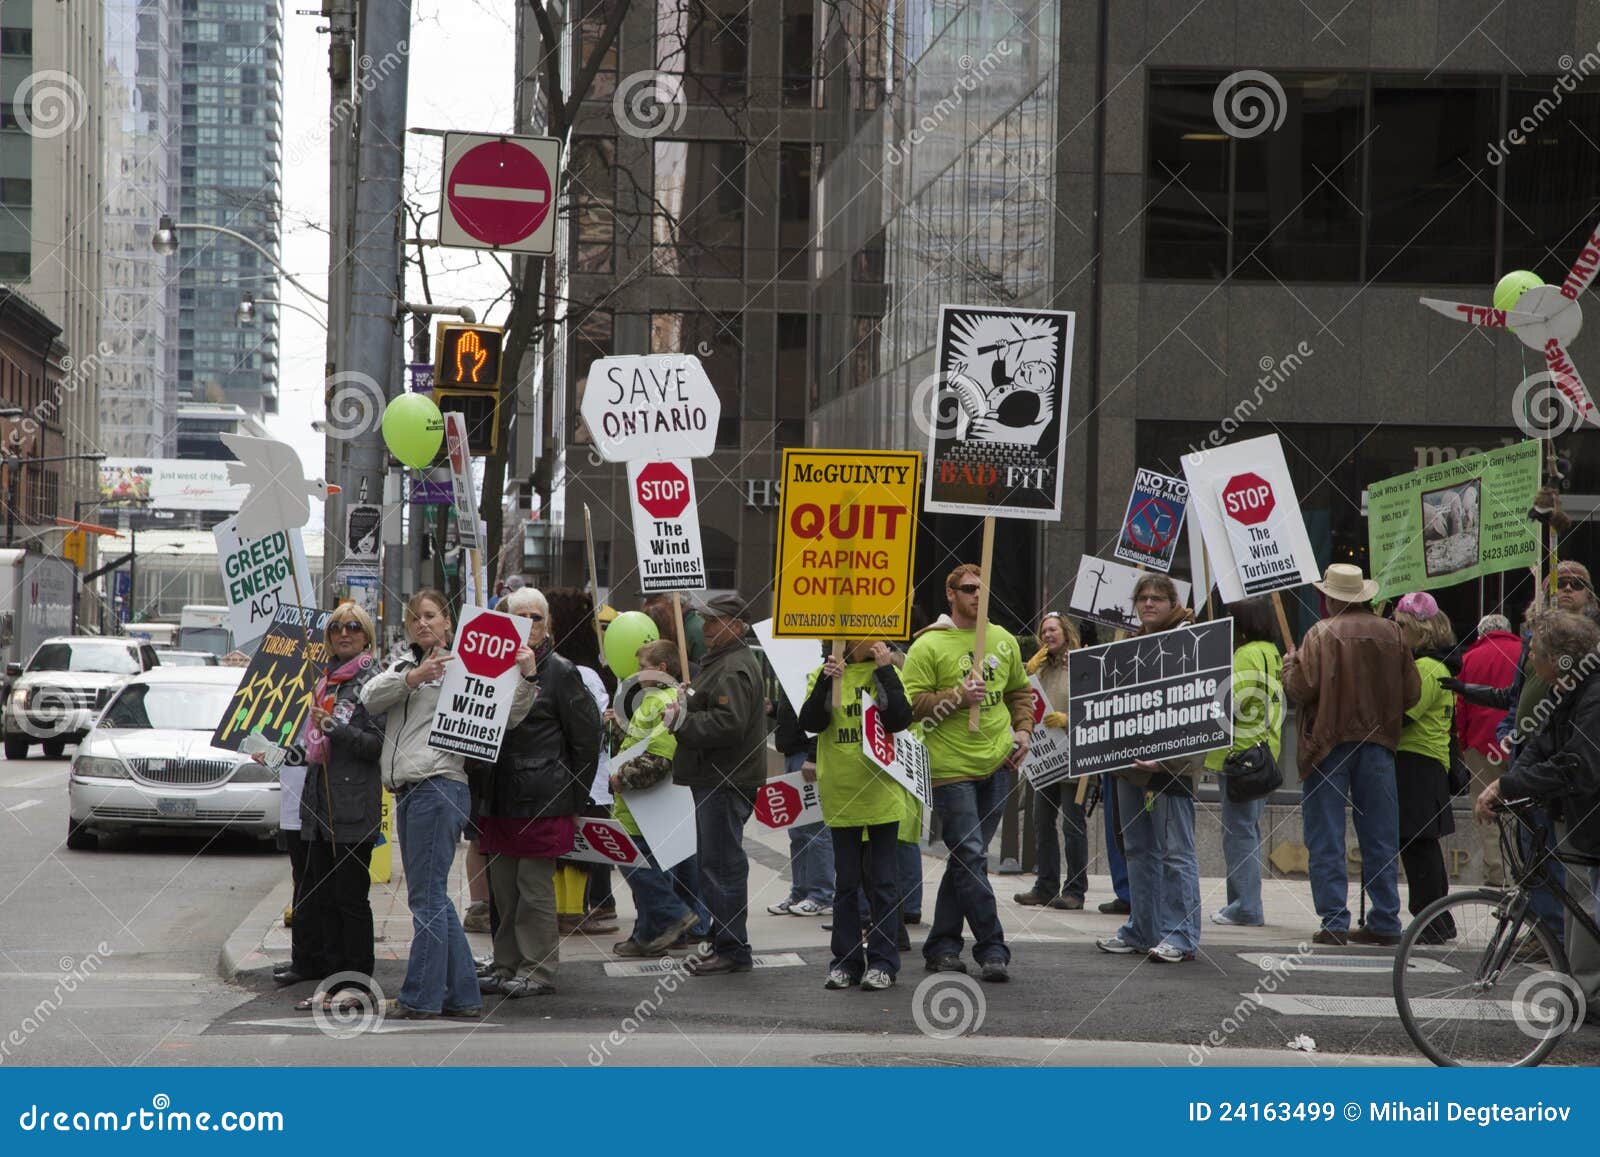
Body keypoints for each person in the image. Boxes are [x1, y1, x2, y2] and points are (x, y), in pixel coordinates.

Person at [901, 564, 1033, 982]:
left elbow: (1019, 690)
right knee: (972, 855)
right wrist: (959, 695)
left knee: (964, 859)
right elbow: (910, 704)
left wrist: (1024, 730)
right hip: (949, 768)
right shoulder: (929, 646)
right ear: (951, 594)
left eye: (984, 589)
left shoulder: (1004, 639)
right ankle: (993, 946)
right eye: (970, 589)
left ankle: (942, 945)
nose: (978, 595)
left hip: (997, 763)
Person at [1282, 563, 1419, 947]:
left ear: (1329, 599)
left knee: (1326, 834)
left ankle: (1334, 921)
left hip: (1327, 745)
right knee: (1380, 834)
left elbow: (1301, 689)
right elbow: (1412, 694)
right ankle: (1386, 919)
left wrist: (1289, 665)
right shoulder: (1392, 633)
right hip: (1378, 745)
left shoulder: (1320, 634)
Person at [361, 590, 482, 1020]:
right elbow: (370, 697)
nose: (422, 624)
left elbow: (502, 709)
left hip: (438, 785)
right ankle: (464, 994)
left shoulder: (464, 668)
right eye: (415, 618)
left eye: (431, 616)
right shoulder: (405, 667)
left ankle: (421, 997)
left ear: (448, 623)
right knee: (434, 898)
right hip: (410, 792)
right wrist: (413, 677)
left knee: (427, 900)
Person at [474, 586, 599, 998]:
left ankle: (539, 968)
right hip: (500, 794)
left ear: (548, 625)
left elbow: (586, 739)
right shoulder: (491, 665)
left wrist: (575, 800)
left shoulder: (561, 671)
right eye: (519, 617)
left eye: (536, 618)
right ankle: (506, 962)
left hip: (543, 797)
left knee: (534, 889)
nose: (528, 625)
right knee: (504, 889)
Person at [1476, 610, 1600, 1017]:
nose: (1528, 656)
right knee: (1579, 900)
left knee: (1589, 901)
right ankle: (1586, 996)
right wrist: (1504, 785)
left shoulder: (1594, 693)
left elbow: (1579, 765)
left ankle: (1589, 996)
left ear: (1560, 657)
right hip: (1579, 816)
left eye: (1535, 649)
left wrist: (1511, 785)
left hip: (1590, 814)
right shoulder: (1566, 688)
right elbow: (1541, 745)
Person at [1093, 574, 1204, 963]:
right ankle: (1142, 929)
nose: (1149, 603)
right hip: (1128, 767)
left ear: (1174, 602)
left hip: (1168, 770)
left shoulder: (1193, 641)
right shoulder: (1131, 642)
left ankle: (1182, 935)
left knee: (1176, 854)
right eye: (1142, 597)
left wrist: (1170, 761)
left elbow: (1202, 710)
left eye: (1158, 597)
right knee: (1138, 849)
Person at [798, 639, 912, 991]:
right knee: (845, 884)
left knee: (883, 884)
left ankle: (883, 963)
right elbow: (811, 722)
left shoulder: (888, 671)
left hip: (881, 794)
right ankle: (846, 963)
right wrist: (824, 683)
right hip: (842, 795)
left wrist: (885, 673)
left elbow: (899, 719)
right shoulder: (825, 672)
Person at [665, 591, 768, 976]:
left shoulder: (732, 666)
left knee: (721, 865)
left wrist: (683, 722)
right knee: (716, 863)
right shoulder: (725, 661)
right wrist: (687, 703)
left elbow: (729, 724)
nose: (704, 627)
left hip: (724, 779)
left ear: (736, 626)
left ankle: (732, 947)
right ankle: (725, 943)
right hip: (717, 776)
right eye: (704, 620)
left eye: (713, 621)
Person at [292, 603, 385, 1010]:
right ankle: (331, 983)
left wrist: (335, 728)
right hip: (318, 807)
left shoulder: (374, 683)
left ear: (366, 635)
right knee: (322, 897)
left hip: (352, 806)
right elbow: (307, 748)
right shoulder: (323, 681)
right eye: (335, 628)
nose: (343, 633)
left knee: (350, 898)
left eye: (352, 627)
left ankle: (357, 984)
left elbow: (375, 745)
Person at [609, 640, 708, 956]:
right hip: (641, 806)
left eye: (643, 667)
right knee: (650, 869)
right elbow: (638, 744)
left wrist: (621, 778)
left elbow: (660, 757)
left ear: (662, 669)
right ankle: (650, 936)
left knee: (641, 869)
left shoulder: (665, 702)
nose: (638, 674)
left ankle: (671, 919)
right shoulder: (655, 700)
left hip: (646, 805)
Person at [1206, 597, 1284, 928]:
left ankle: (1246, 906)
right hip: (1265, 751)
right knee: (1245, 829)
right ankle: (1238, 903)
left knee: (1238, 833)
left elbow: (1227, 702)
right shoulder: (1271, 652)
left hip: (1240, 754)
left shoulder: (1245, 655)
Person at [547, 587, 619, 936]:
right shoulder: (585, 675)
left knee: (564, 847)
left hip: (554, 775)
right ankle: (573, 911)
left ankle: (566, 910)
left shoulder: (548, 670)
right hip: (586, 777)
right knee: (581, 846)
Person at [1392, 593, 1458, 939]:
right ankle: (1436, 921)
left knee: (1418, 845)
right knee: (1420, 845)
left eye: (1402, 626)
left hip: (1418, 763)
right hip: (1421, 763)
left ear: (1422, 630)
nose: (1397, 633)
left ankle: (1432, 922)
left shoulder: (1427, 668)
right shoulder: (1430, 665)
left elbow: (1403, 714)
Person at [1014, 612, 1086, 910]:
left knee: (1072, 826)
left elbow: (1098, 705)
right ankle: (1045, 886)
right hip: (1045, 758)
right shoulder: (1039, 668)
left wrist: (1070, 719)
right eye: (1043, 631)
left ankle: (1075, 891)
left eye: (1053, 629)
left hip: (1073, 757)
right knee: (1041, 824)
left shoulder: (1082, 664)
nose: (1047, 635)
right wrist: (1026, 674)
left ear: (1066, 632)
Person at [1451, 613, 1520, 886]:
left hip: (1482, 746)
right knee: (1522, 810)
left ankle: (1499, 877)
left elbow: (1462, 707)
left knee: (1488, 809)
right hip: (1519, 739)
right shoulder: (1526, 651)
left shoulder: (1469, 657)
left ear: (1481, 633)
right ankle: (1523, 875)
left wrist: (1463, 743)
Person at [769, 690, 834, 917]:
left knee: (815, 830)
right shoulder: (791, 665)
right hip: (793, 753)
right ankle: (802, 892)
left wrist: (813, 756)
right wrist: (774, 707)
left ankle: (821, 895)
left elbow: (819, 714)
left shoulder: (807, 665)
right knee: (797, 831)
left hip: (804, 755)